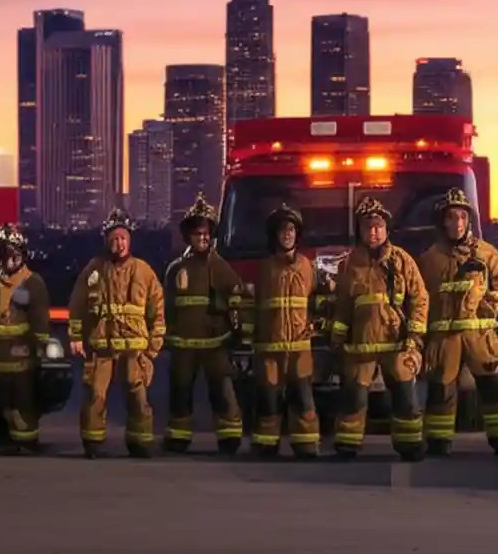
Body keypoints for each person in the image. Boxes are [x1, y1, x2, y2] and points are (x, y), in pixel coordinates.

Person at [417, 188, 498, 458]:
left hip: (479, 335)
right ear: (443, 221)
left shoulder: (484, 253)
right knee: (440, 390)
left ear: (468, 221)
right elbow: (418, 296)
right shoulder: (430, 259)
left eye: (462, 217)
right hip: (444, 338)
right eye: (452, 217)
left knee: (492, 387)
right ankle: (438, 441)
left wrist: (495, 300)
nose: (457, 223)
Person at [329, 196, 428, 461]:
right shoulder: (350, 264)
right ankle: (347, 445)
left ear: (386, 229)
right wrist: (338, 335)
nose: (373, 232)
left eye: (378, 226)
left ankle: (410, 445)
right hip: (361, 345)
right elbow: (344, 304)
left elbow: (419, 297)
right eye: (367, 227)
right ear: (360, 231)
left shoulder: (402, 261)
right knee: (354, 397)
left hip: (396, 343)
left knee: (405, 397)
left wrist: (415, 336)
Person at [68, 208, 165, 459]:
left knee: (138, 397)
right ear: (106, 240)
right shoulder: (94, 270)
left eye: (122, 237)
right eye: (114, 238)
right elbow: (78, 305)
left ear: (129, 240)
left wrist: (152, 349)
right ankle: (92, 443)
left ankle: (140, 443)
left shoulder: (144, 271)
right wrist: (76, 337)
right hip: (102, 348)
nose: (118, 243)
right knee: (95, 397)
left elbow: (158, 313)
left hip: (135, 349)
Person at [162, 194, 245, 457]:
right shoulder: (176, 269)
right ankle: (178, 437)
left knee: (222, 390)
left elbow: (236, 294)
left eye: (206, 234)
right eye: (198, 234)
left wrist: (235, 324)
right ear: (189, 237)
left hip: (214, 342)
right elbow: (167, 307)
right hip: (182, 344)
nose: (202, 239)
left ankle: (229, 437)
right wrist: (164, 336)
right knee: (180, 392)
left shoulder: (220, 267)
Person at [247, 203, 321, 459]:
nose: (287, 235)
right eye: (282, 231)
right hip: (269, 347)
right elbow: (253, 305)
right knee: (268, 398)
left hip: (300, 348)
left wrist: (318, 325)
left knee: (302, 397)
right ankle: (266, 444)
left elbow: (318, 301)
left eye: (291, 230)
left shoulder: (307, 267)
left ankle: (306, 443)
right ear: (275, 236)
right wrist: (249, 336)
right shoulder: (264, 269)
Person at [0, 223, 51, 454]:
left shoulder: (32, 283)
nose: (3, 260)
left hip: (22, 360)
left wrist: (40, 349)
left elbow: (40, 322)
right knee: (2, 404)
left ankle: (27, 441)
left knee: (23, 402)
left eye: (8, 254)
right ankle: (7, 440)